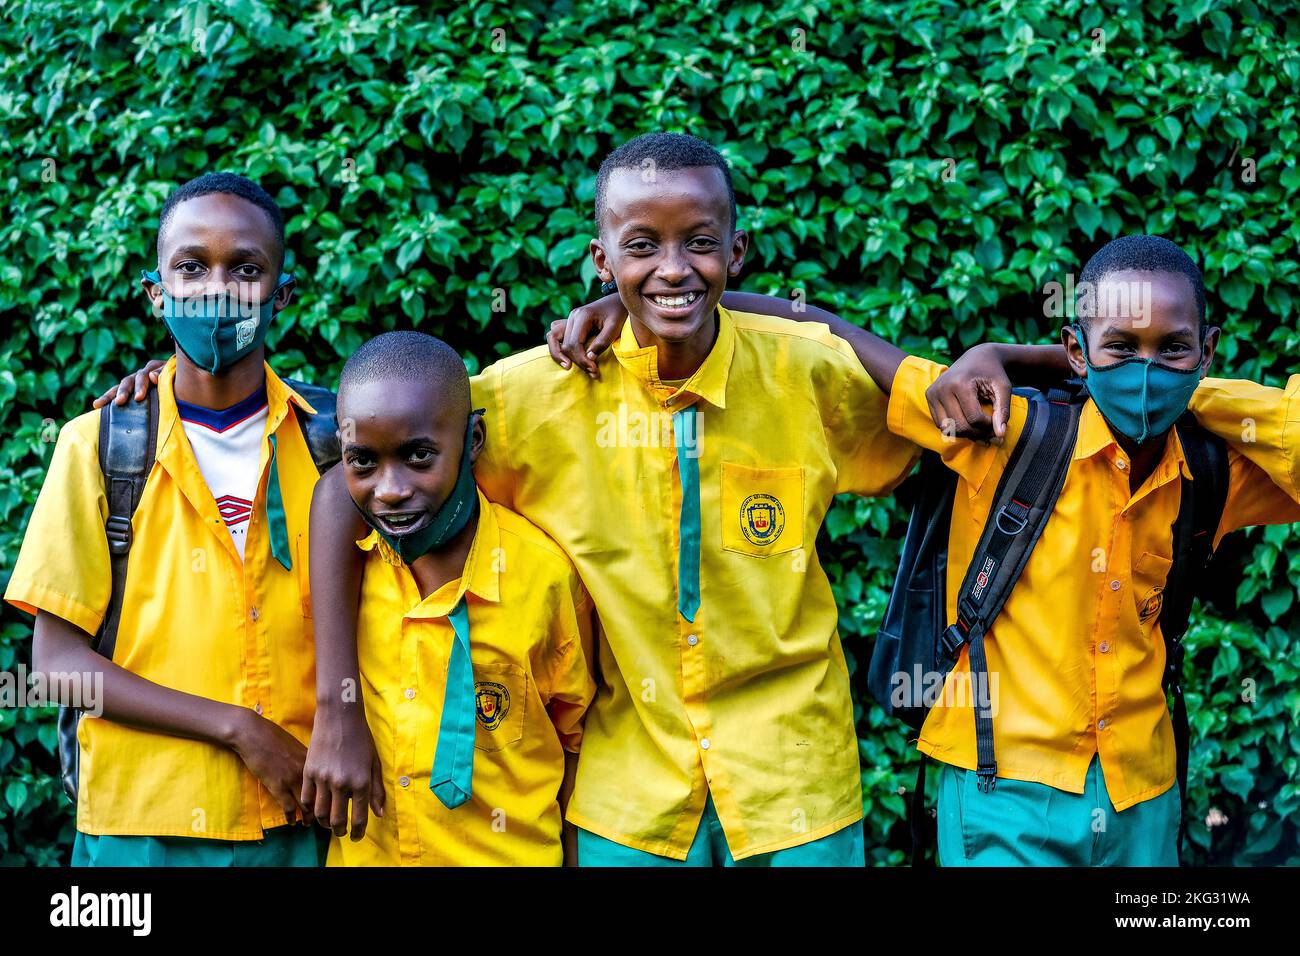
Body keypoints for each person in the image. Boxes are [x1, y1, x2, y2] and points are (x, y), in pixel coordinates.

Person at [9, 172, 325, 866]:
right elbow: (58, 665)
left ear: (284, 293)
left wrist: (610, 309)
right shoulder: (97, 446)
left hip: (301, 821)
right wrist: (238, 728)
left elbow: (454, 405)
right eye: (191, 266)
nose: (217, 288)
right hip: (141, 833)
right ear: (157, 294)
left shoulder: (337, 441)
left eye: (246, 268)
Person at [325, 331, 594, 865]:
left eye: (418, 456)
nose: (391, 488)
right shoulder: (351, 568)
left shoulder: (543, 578)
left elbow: (577, 741)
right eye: (363, 463)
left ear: (473, 441)